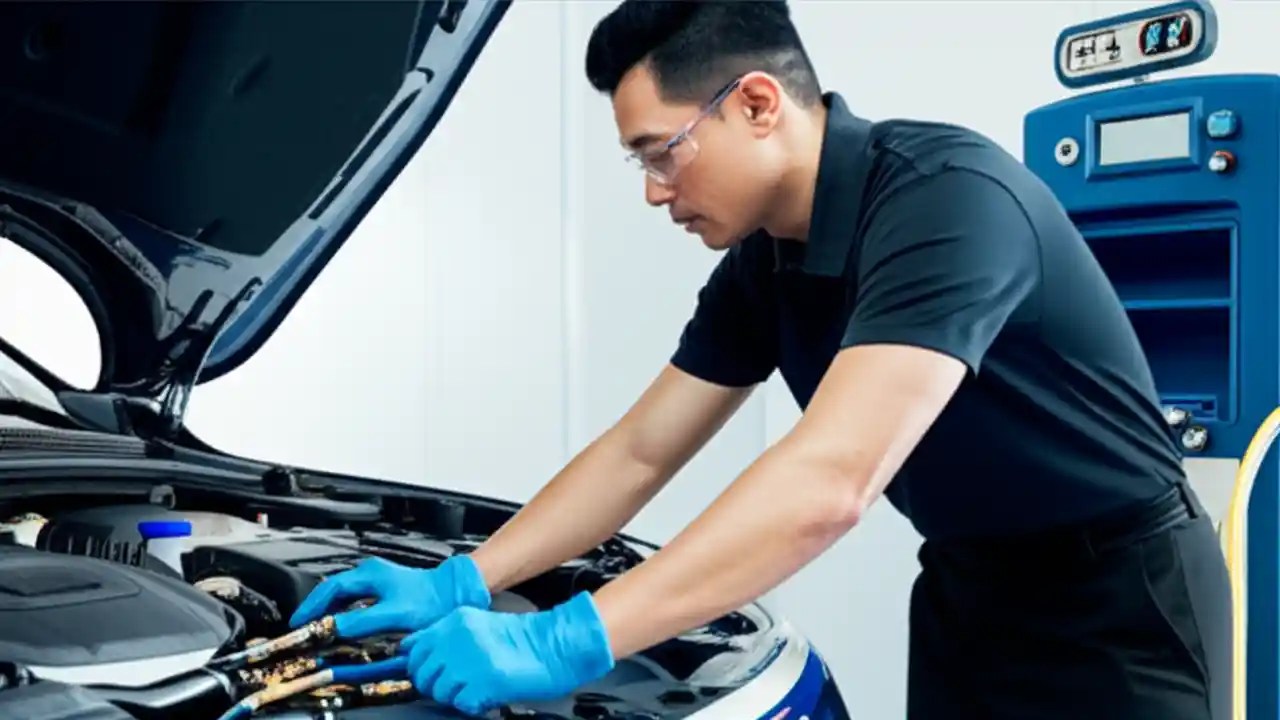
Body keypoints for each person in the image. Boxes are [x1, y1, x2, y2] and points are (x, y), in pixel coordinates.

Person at [289, 1, 1233, 717]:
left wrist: (569, 637)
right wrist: (468, 577)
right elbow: (641, 451)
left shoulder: (949, 202)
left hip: (1121, 601)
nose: (656, 191)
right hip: (966, 590)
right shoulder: (763, 264)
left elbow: (830, 480)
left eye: (662, 153)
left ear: (755, 103)